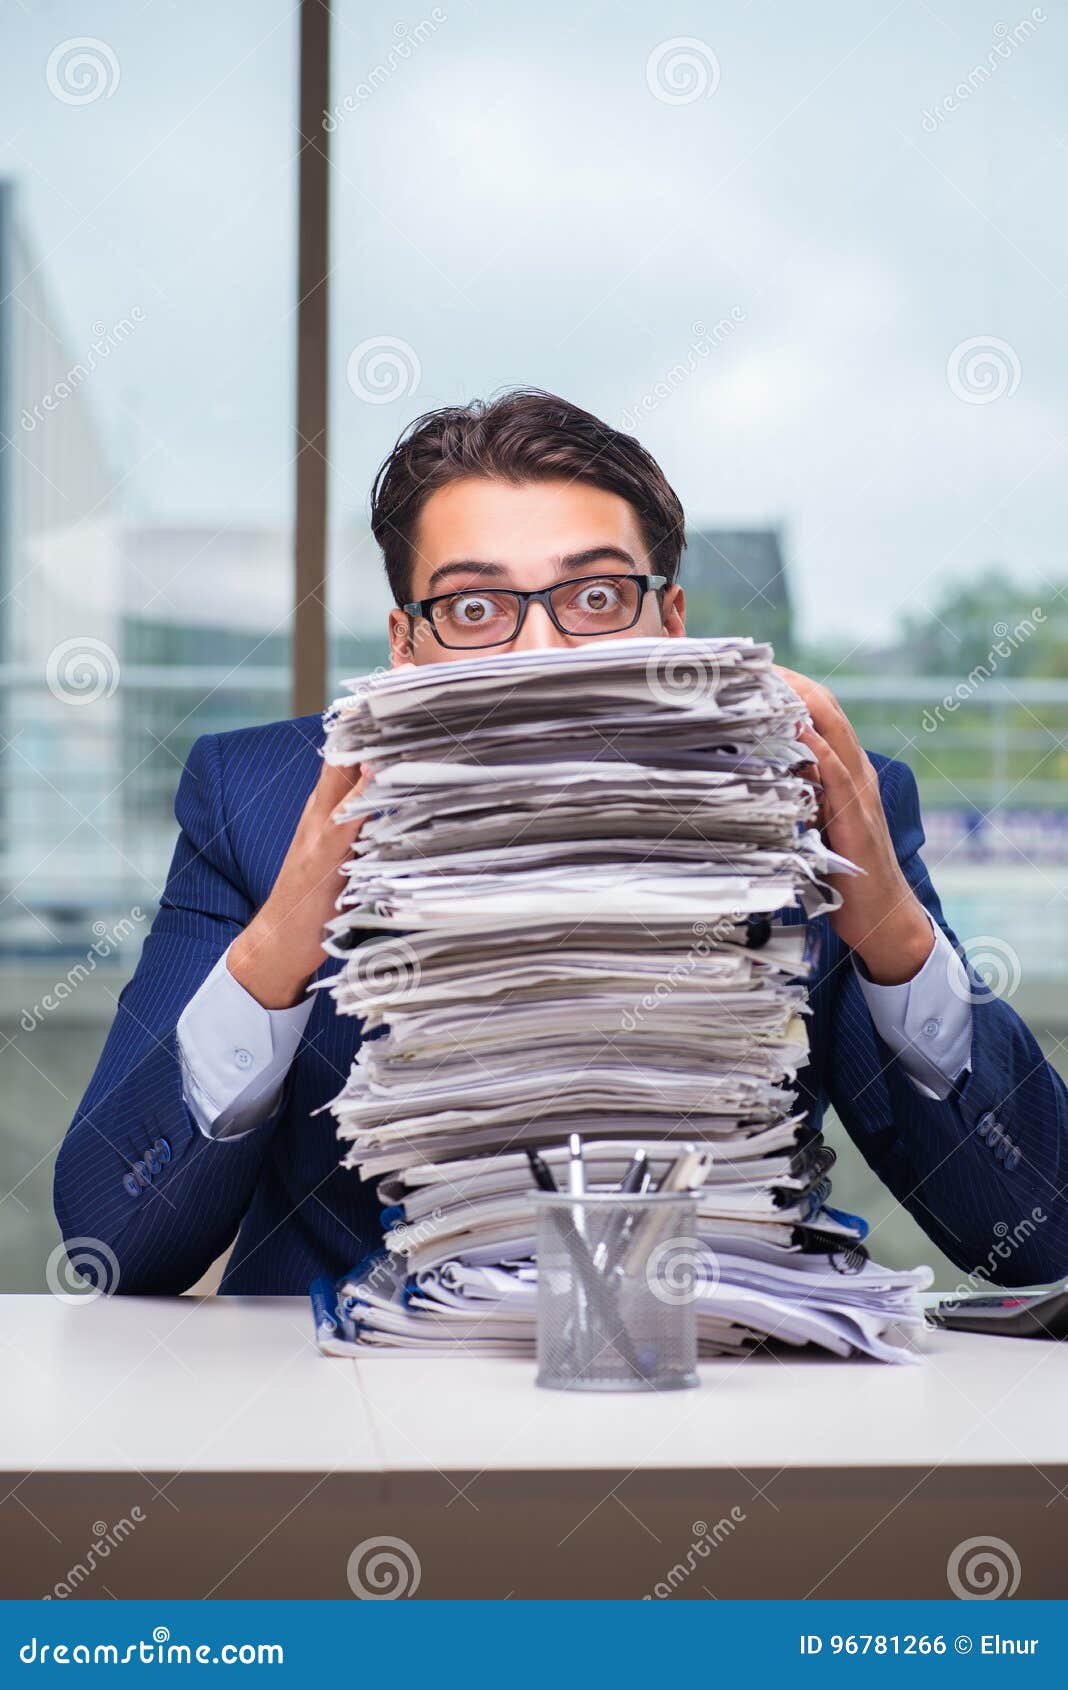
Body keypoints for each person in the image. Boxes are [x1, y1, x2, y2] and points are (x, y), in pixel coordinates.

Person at [55, 390, 1068, 1294]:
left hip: (721, 1405)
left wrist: (890, 925)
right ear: (406, 646)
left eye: (593, 597)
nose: (540, 655)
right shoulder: (255, 802)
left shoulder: (821, 804)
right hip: (352, 1413)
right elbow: (117, 1236)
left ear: (671, 624)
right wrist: (283, 938)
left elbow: (1040, 1239)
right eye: (475, 607)